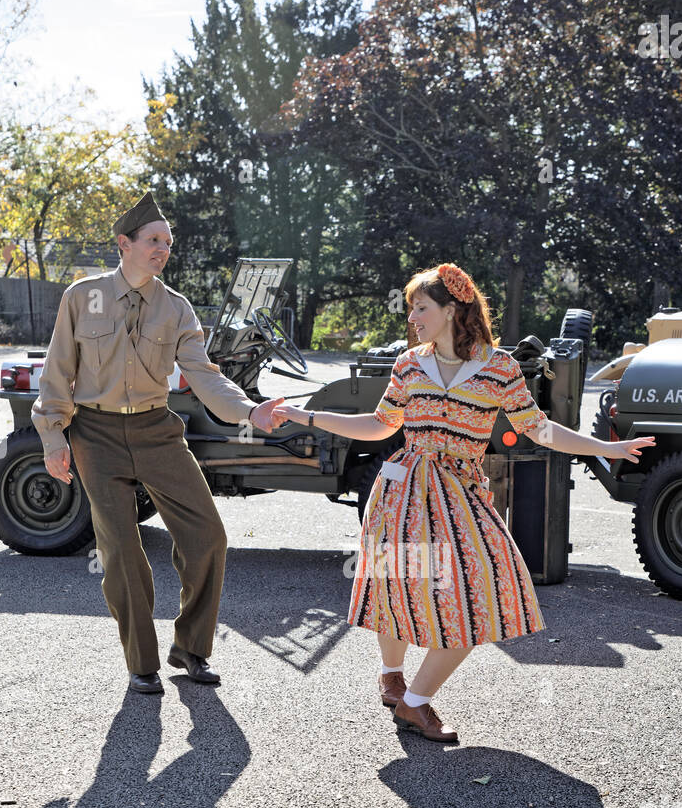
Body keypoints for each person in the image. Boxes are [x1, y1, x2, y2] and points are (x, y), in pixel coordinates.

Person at [271, 261, 655, 743]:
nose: (412, 317)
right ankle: (392, 677)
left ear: (453, 309)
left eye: (421, 308)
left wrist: (605, 447)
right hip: (402, 491)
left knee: (484, 590)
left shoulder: (499, 368)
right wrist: (308, 416)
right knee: (396, 585)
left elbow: (538, 428)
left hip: (460, 491)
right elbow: (379, 425)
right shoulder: (409, 363)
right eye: (412, 309)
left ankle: (414, 703)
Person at [33, 191, 282, 694]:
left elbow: (205, 376)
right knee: (122, 549)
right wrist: (53, 437)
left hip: (156, 429)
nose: (163, 249)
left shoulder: (177, 308)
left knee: (207, 536)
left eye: (168, 242)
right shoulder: (83, 297)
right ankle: (141, 662)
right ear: (124, 244)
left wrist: (249, 410)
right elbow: (58, 372)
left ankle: (190, 648)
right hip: (95, 433)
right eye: (153, 240)